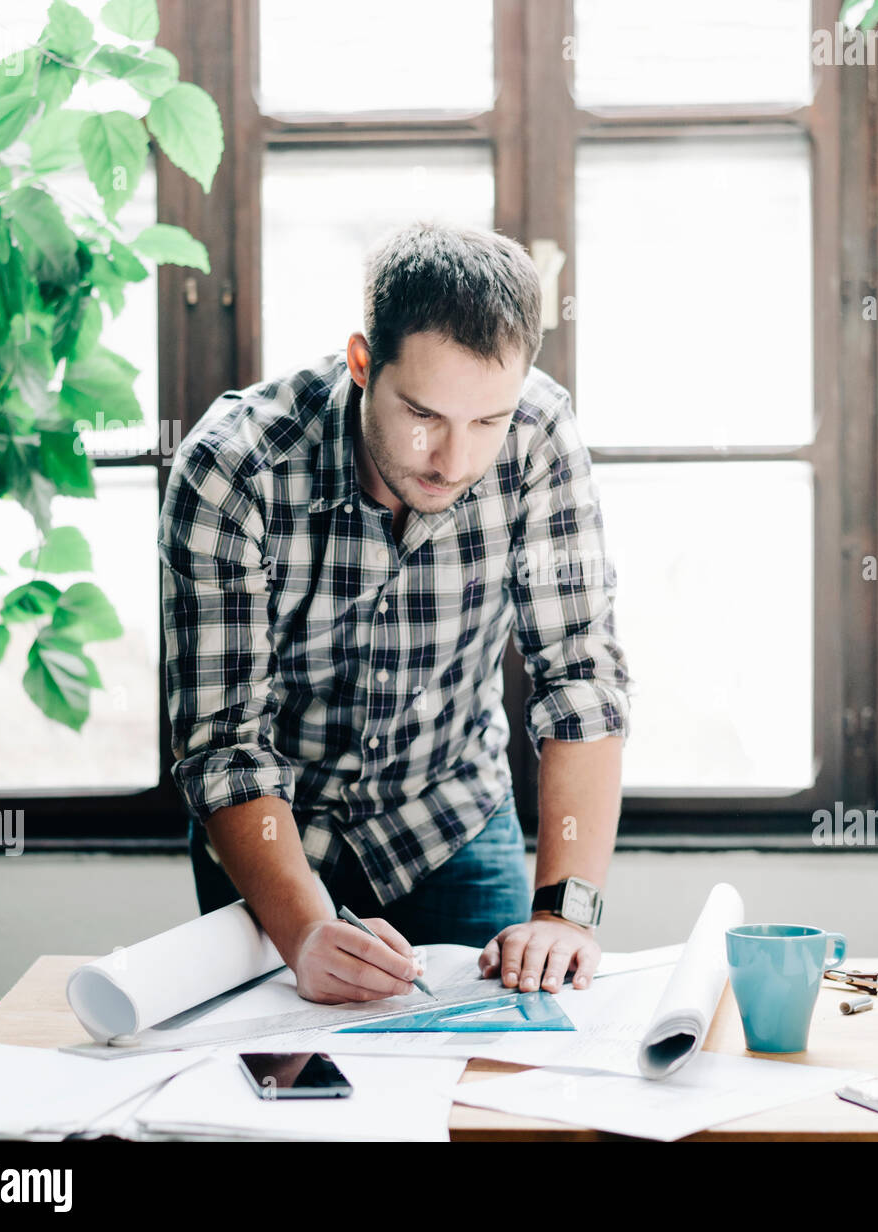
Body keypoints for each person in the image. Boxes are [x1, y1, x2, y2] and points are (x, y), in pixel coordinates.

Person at [158, 221, 631, 1008]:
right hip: (274, 834)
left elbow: (579, 678)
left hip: (451, 818)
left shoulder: (540, 433)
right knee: (278, 1077)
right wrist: (304, 931)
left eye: (487, 422)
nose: (455, 461)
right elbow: (224, 746)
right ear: (362, 363)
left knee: (494, 1067)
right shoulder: (232, 468)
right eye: (424, 416)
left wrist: (564, 914)